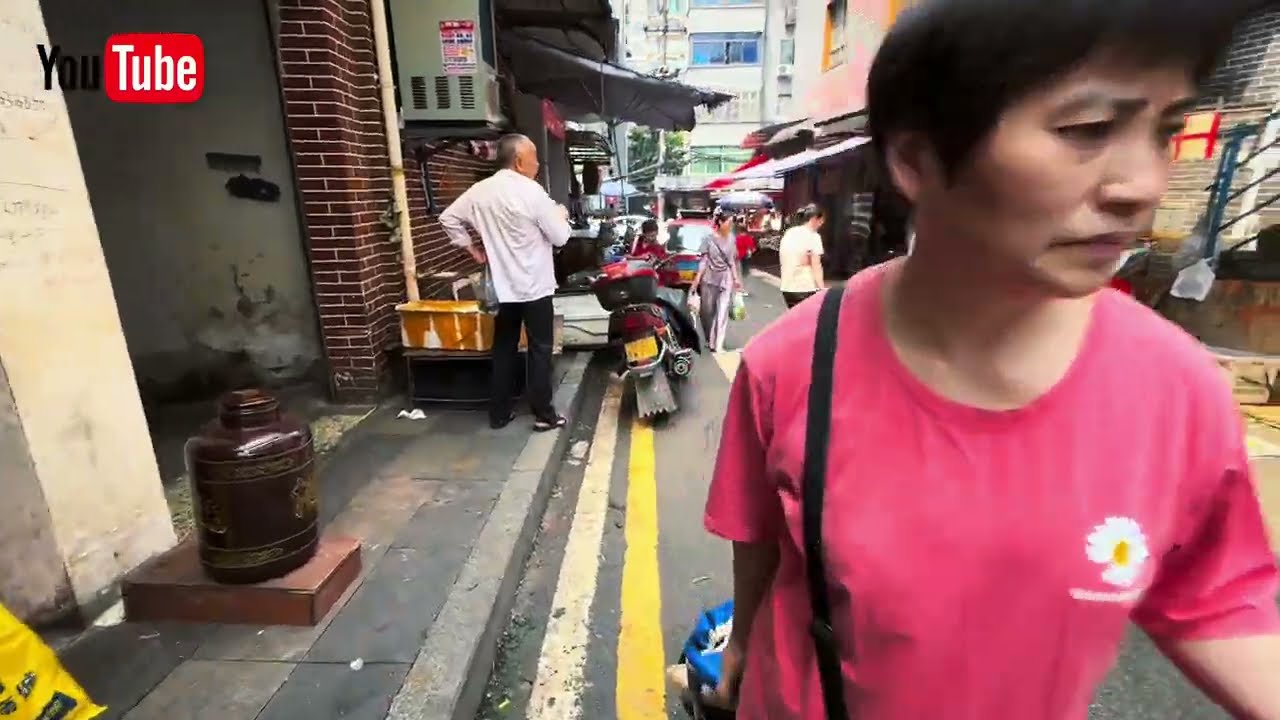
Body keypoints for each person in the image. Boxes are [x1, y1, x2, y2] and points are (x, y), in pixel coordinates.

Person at [703, 1, 1280, 719]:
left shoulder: (1180, 391)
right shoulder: (788, 364)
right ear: (916, 159)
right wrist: (741, 645)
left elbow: (1223, 598)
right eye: (1088, 130)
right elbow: (759, 540)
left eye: (1165, 131)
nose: (1143, 185)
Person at [439, 134, 571, 432]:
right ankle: (544, 414)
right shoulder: (532, 192)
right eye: (534, 156)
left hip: (503, 288)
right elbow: (561, 237)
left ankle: (499, 414)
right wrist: (560, 215)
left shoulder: (479, 192)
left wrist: (472, 249)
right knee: (540, 348)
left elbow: (448, 218)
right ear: (519, 160)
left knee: (503, 348)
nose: (538, 163)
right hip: (535, 287)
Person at [692, 212, 741, 353]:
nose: (730, 226)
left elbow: (732, 261)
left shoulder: (732, 239)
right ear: (720, 222)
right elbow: (703, 261)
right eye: (728, 223)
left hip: (726, 278)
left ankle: (718, 344)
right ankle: (710, 339)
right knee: (708, 312)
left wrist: (736, 278)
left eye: (732, 223)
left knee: (723, 312)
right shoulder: (708, 239)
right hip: (709, 278)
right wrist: (697, 279)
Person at [777, 203, 826, 308]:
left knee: (795, 320)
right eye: (821, 221)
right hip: (804, 287)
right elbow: (816, 265)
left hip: (787, 287)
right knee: (808, 322)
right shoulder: (813, 236)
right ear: (814, 219)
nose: (821, 224)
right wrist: (822, 289)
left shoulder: (789, 233)